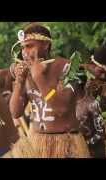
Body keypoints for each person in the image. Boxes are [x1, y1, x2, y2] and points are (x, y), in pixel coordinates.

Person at [9, 23, 90, 158]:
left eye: (30, 46)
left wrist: (39, 78)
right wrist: (20, 81)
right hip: (37, 143)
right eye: (23, 47)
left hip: (66, 144)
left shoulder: (66, 67)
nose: (25, 52)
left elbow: (62, 109)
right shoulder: (26, 73)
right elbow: (15, 112)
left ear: (46, 45)